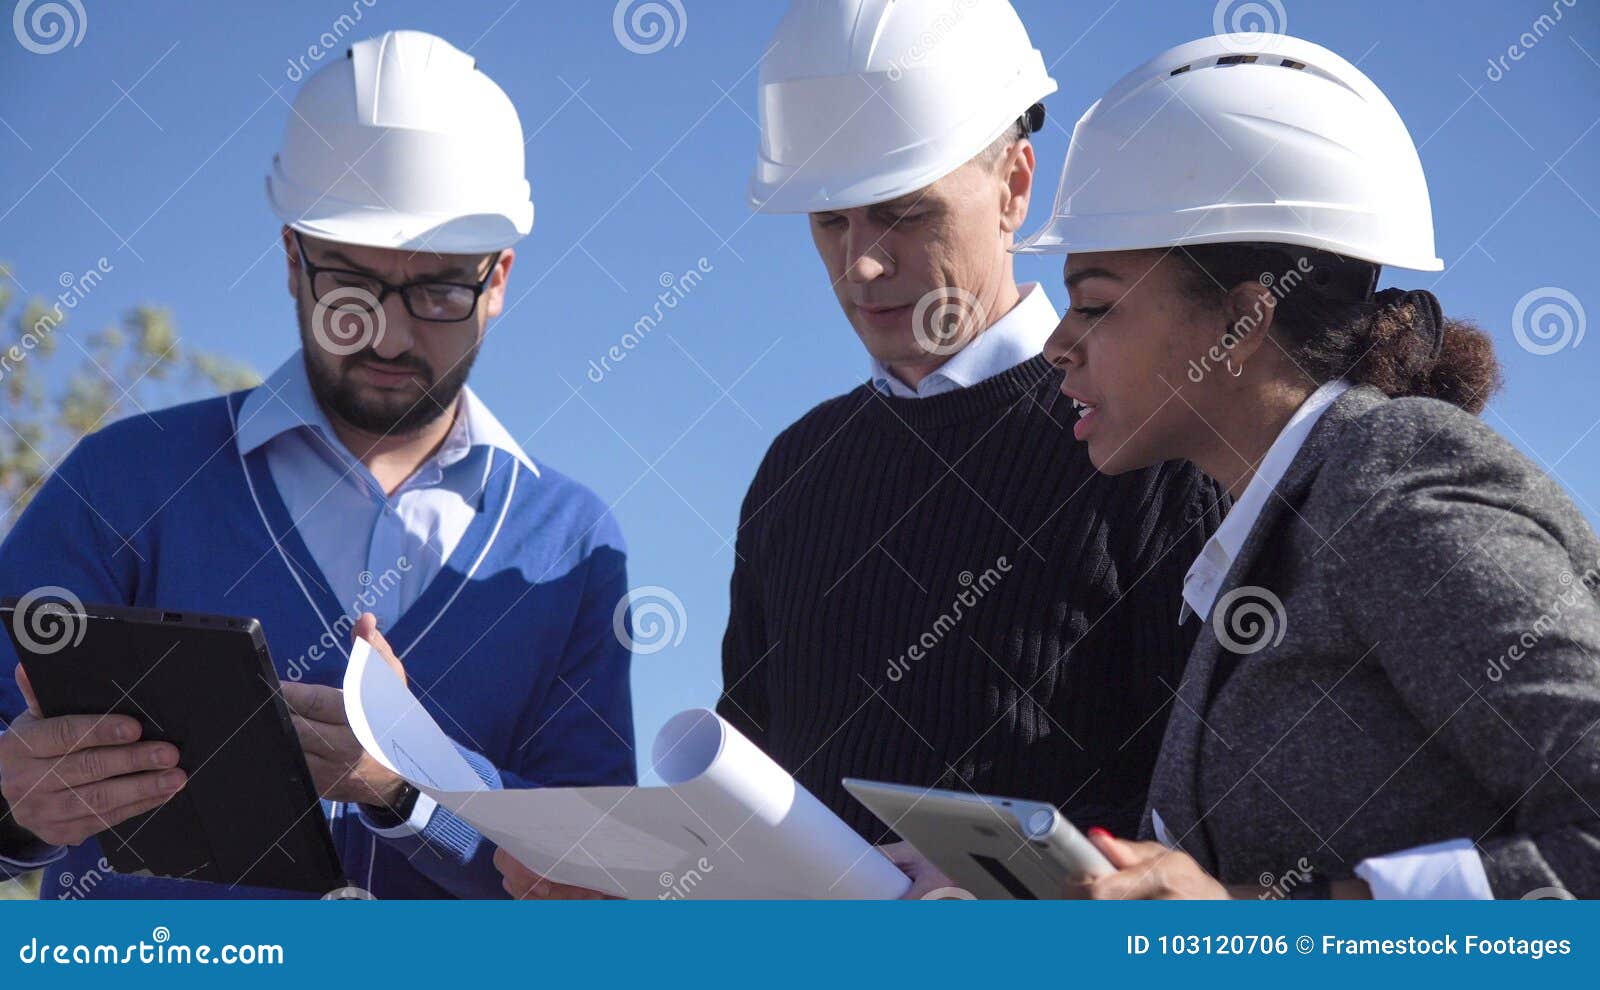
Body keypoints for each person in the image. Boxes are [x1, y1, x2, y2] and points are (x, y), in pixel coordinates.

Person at [493, 0, 1226, 901]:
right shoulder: (796, 473)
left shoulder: (1160, 449)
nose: (861, 266)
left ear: (1016, 186)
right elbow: (746, 806)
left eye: (904, 215)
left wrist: (1024, 898)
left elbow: (1216, 829)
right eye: (830, 223)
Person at [906, 32, 1600, 899]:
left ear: (1240, 323)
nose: (1056, 345)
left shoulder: (1399, 493)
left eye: (1094, 305)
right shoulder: (1277, 531)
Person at [0, 30, 635, 899]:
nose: (391, 331)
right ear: (294, 256)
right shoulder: (124, 482)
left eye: (441, 290)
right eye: (353, 282)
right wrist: (15, 812)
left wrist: (411, 790)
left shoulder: (567, 549)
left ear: (499, 280)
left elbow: (595, 890)